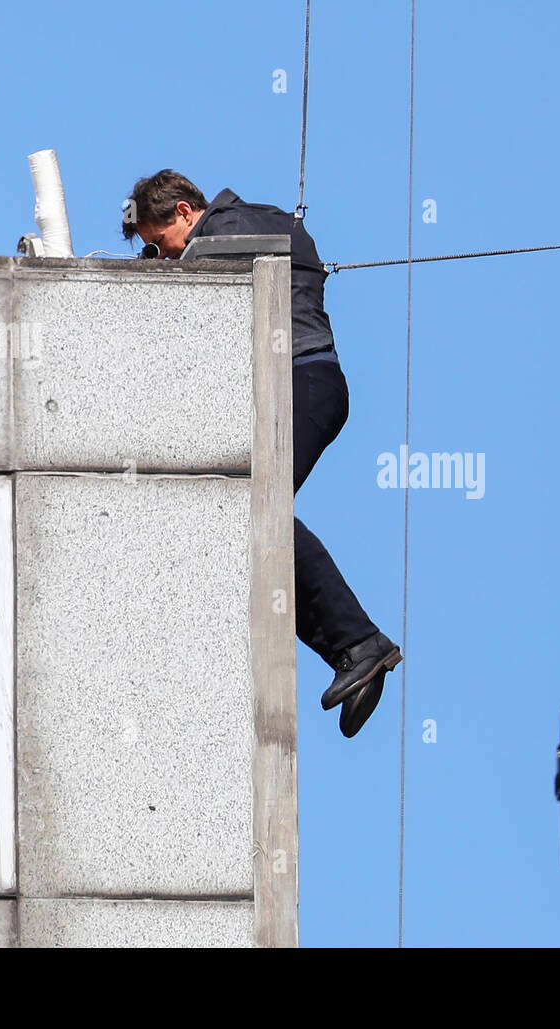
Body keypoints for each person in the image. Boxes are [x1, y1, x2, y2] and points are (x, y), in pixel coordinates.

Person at [121, 170, 401, 737]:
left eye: (158, 242)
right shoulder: (236, 228)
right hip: (298, 385)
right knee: (247, 521)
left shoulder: (237, 227)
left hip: (304, 382)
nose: (161, 254)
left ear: (183, 211)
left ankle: (361, 644)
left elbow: (231, 266)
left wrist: (159, 285)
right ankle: (354, 650)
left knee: (255, 508)